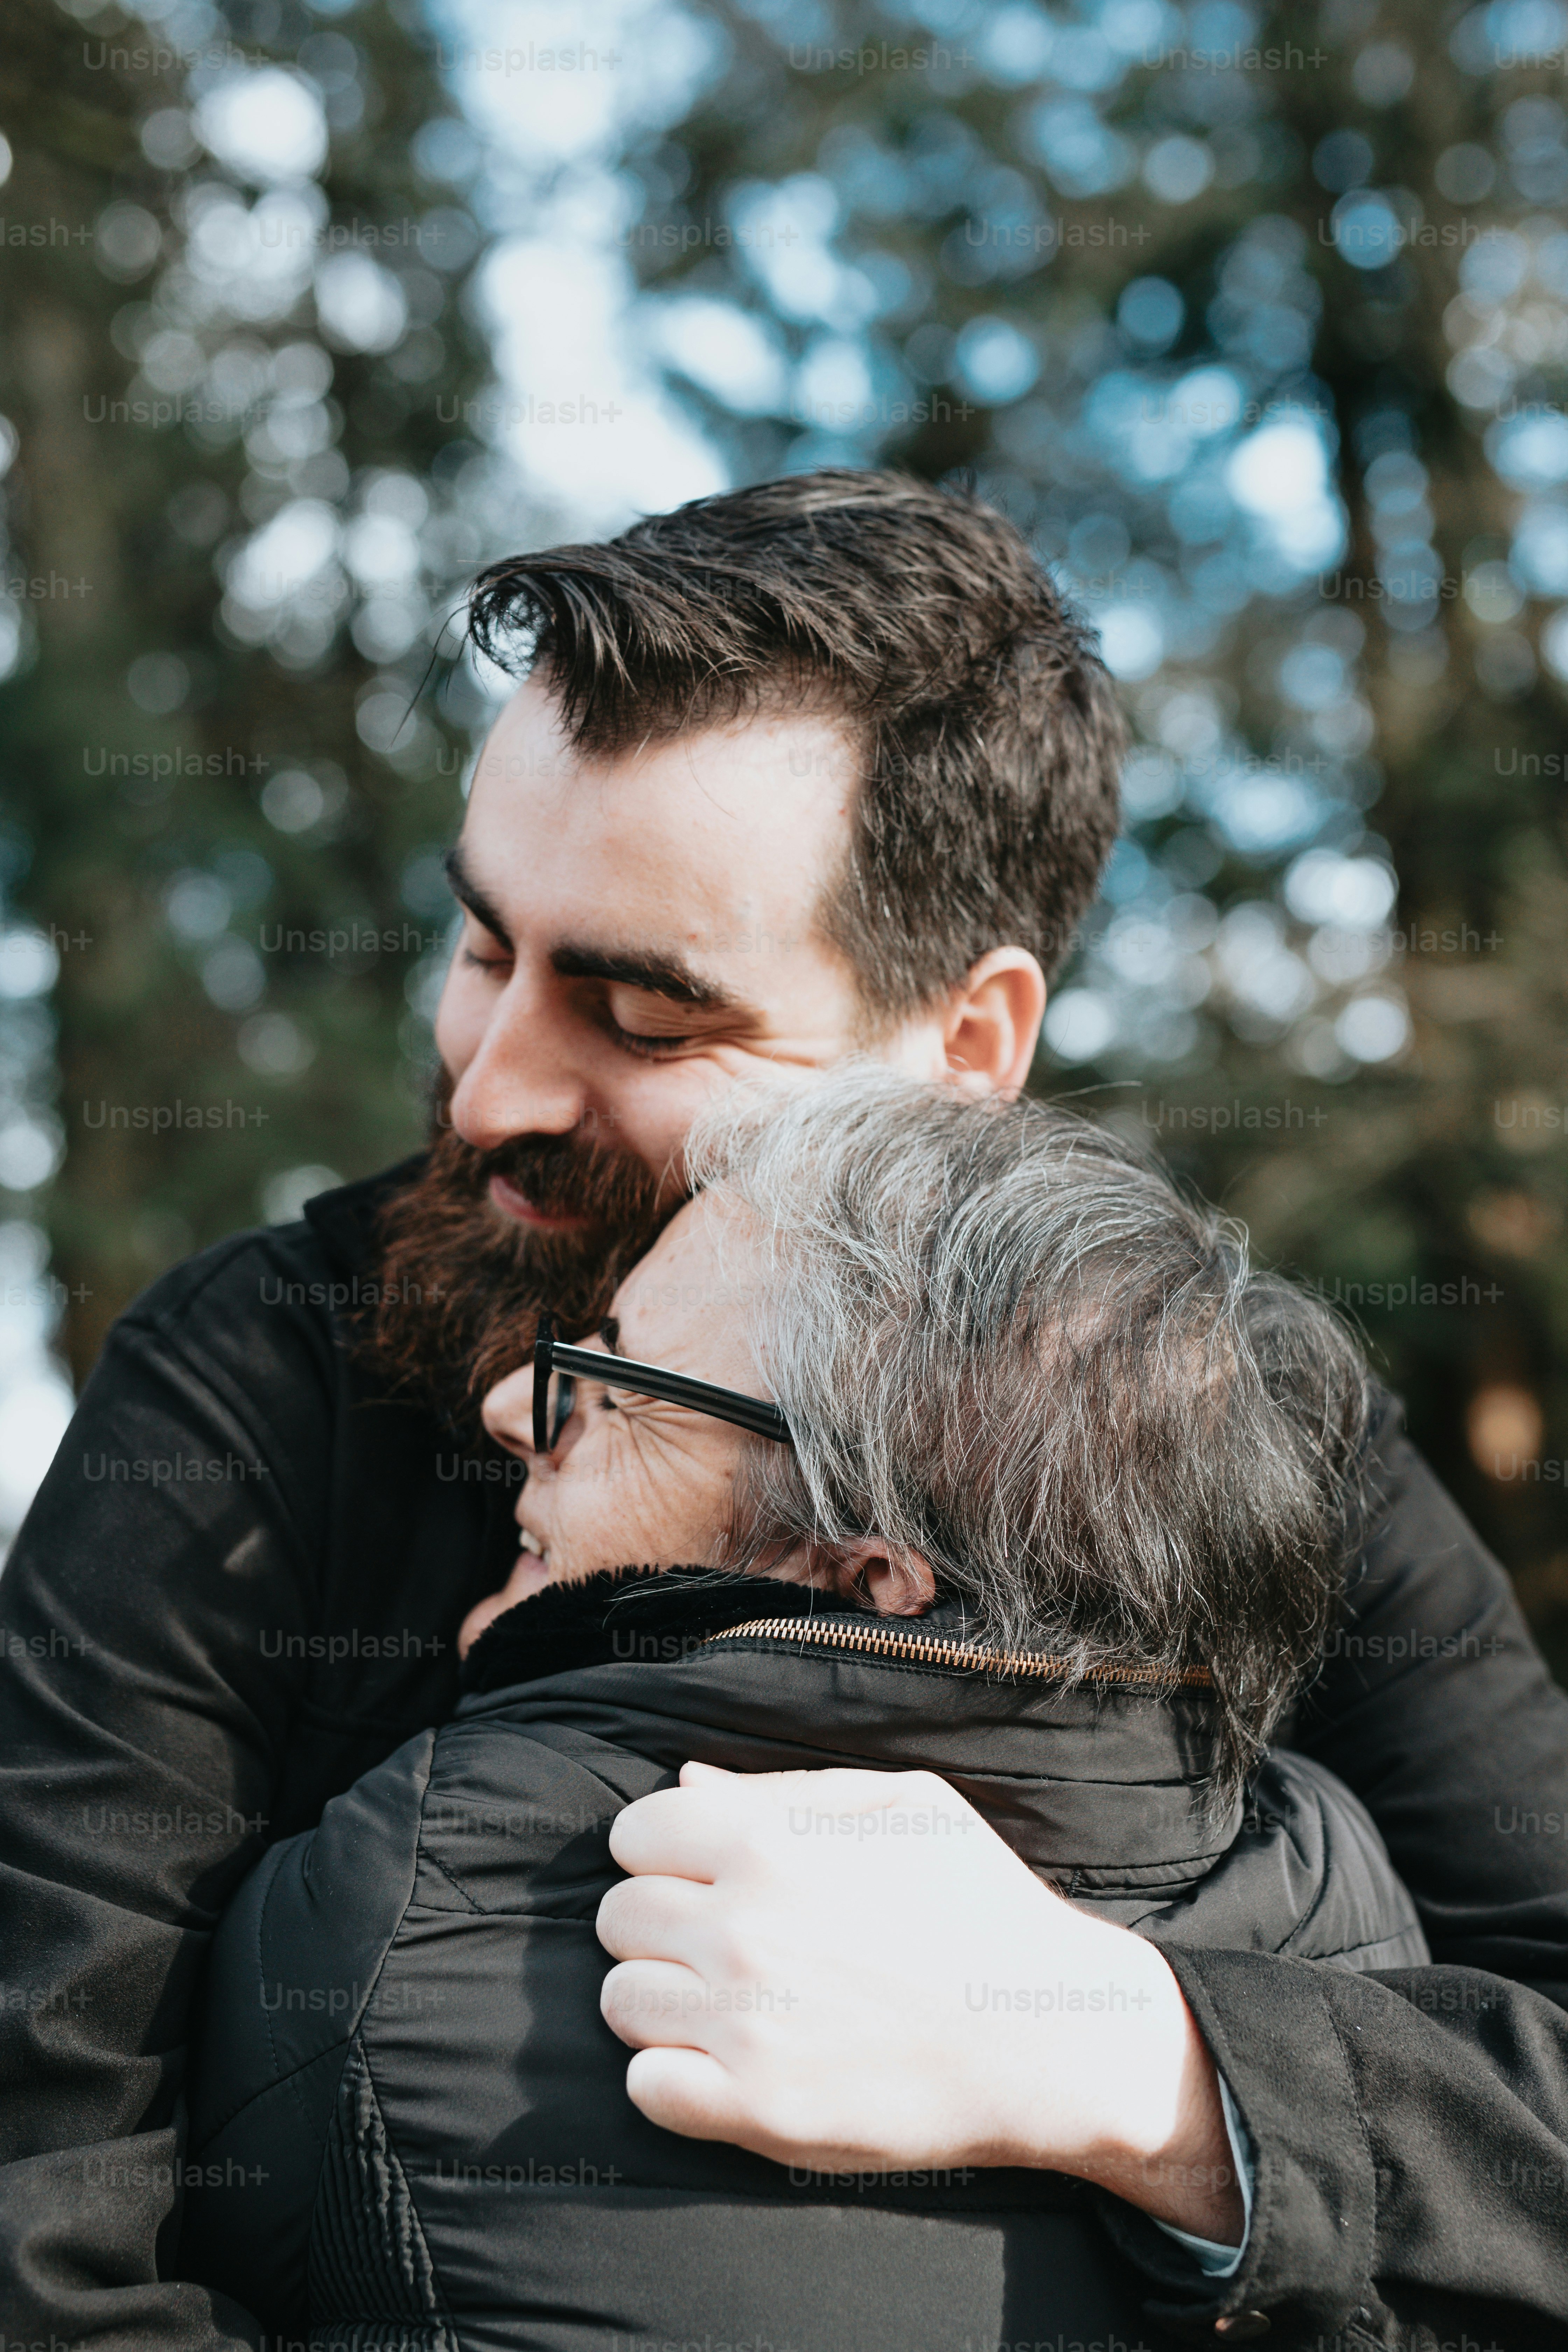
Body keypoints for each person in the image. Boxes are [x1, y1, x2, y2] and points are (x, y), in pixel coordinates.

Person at [0, 470, 1566, 2345]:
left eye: (648, 1018)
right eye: (486, 945)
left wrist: (1132, 2061)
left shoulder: (1255, 1438)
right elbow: (45, 2218)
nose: (494, 1086)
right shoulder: (247, 1401)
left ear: (965, 1050)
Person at [178, 1071, 1431, 2351]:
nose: (512, 1409)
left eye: (616, 1388)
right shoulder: (1338, 1876)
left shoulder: (403, 1893)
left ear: (868, 1573)